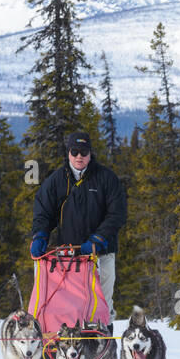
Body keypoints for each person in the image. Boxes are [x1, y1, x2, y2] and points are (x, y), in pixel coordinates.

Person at [29, 130, 127, 321]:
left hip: (101, 252)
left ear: (90, 153)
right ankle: (63, 342)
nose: (79, 156)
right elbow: (43, 212)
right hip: (70, 256)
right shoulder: (56, 181)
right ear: (68, 153)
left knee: (102, 302)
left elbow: (117, 213)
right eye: (75, 152)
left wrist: (99, 238)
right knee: (69, 305)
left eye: (83, 152)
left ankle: (104, 339)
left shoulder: (107, 178)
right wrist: (40, 235)